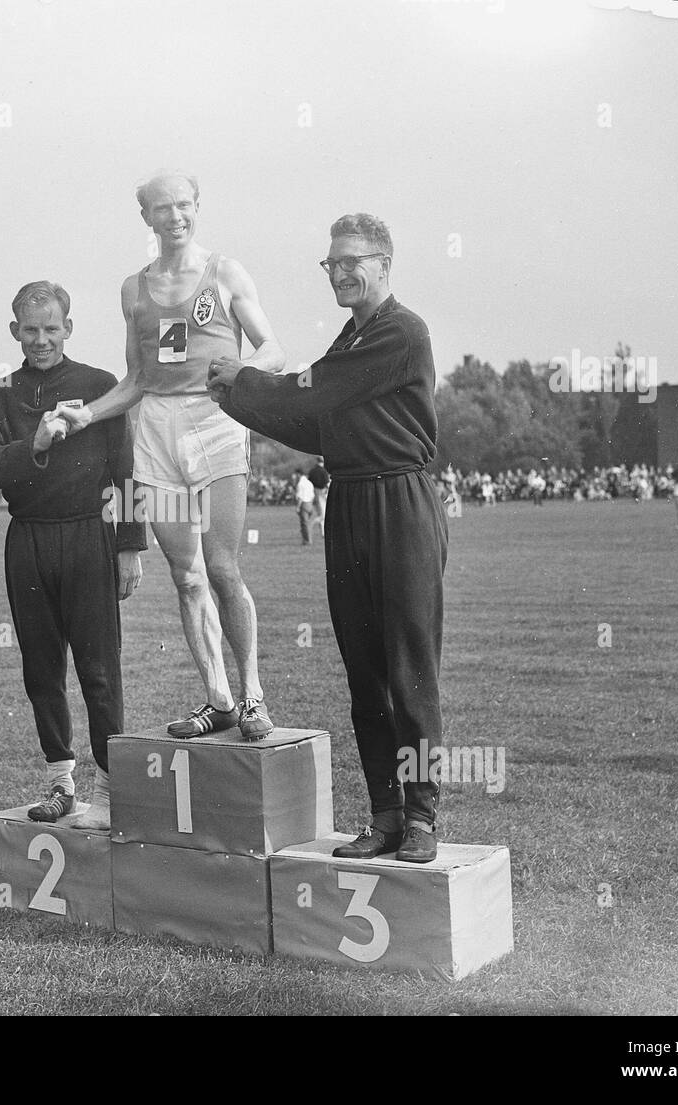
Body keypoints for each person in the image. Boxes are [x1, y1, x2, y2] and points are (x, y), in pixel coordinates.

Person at [209, 212, 448, 864]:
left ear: (384, 262)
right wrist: (235, 400)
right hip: (349, 502)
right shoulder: (351, 336)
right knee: (365, 675)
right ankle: (385, 815)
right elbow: (318, 428)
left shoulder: (401, 331)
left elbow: (314, 393)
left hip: (400, 503)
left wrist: (241, 379)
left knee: (409, 670)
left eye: (352, 261)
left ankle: (422, 815)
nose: (339, 272)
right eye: (331, 263)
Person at [56, 170, 284, 740]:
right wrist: (89, 413)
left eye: (184, 205)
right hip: (156, 425)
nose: (175, 216)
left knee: (223, 567)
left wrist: (245, 372)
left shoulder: (225, 273)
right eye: (163, 208)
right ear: (147, 218)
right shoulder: (134, 289)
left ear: (197, 208)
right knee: (186, 576)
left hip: (215, 422)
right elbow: (136, 379)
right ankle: (220, 700)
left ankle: (253, 694)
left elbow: (273, 349)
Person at [0, 281, 145, 831]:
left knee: (99, 668)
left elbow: (126, 471)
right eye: (30, 330)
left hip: (89, 536)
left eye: (51, 329)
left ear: (68, 328)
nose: (41, 340)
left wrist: (129, 547)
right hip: (28, 539)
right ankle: (62, 779)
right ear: (14, 332)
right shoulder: (0, 394)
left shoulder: (99, 386)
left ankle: (112, 789)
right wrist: (36, 446)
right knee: (41, 667)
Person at [294, 467, 317, 545]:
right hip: (310, 503)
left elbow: (300, 496)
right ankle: (307, 539)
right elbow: (313, 495)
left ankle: (307, 540)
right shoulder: (309, 483)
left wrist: (298, 507)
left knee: (304, 524)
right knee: (307, 523)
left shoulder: (300, 484)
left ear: (298, 474)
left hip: (304, 504)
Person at [308, 458, 330, 536]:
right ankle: (310, 525)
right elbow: (327, 483)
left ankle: (323, 533)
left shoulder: (312, 471)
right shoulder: (324, 471)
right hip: (321, 493)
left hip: (313, 493)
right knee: (323, 515)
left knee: (320, 513)